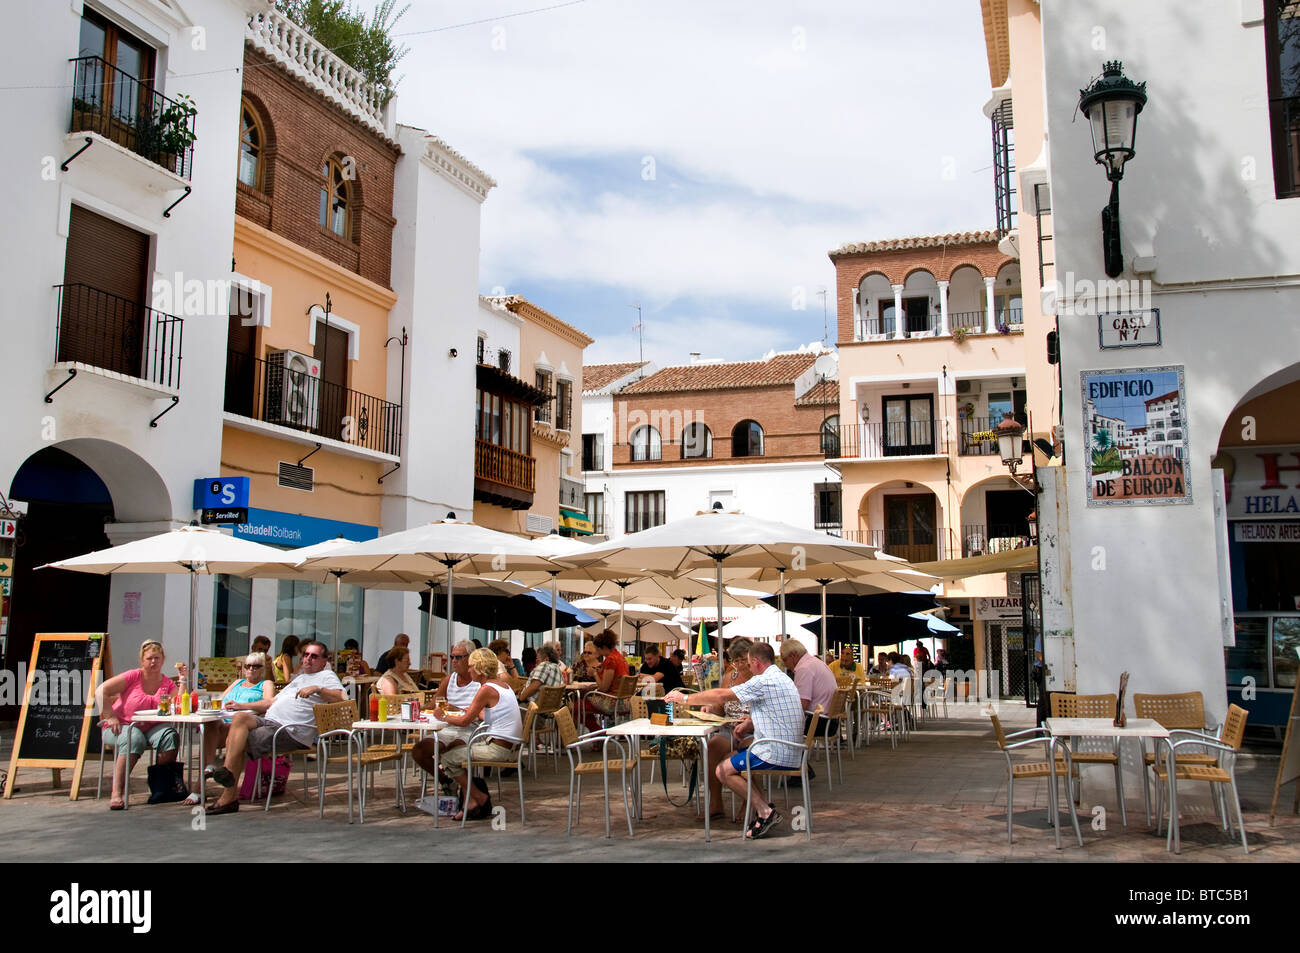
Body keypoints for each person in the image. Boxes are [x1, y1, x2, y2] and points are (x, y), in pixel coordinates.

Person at [664, 642, 804, 839]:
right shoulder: (781, 678)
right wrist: (749, 723)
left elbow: (722, 695)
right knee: (727, 756)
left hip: (774, 751)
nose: (743, 665)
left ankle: (765, 811)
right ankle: (760, 808)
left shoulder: (762, 681)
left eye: (745, 661)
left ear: (755, 662)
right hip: (790, 749)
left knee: (723, 770)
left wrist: (685, 699)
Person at [203, 639, 344, 814]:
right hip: (269, 721)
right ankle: (227, 773)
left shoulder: (326, 676)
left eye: (314, 656)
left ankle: (228, 795)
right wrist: (241, 705)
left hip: (289, 730)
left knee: (237, 740)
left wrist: (318, 689)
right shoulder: (299, 679)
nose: (308, 659)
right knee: (240, 718)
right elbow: (270, 702)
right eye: (305, 655)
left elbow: (340, 698)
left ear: (324, 661)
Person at [431, 648, 523, 821]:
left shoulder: (486, 689)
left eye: (472, 666)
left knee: (448, 758)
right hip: (507, 745)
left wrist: (442, 716)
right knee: (456, 751)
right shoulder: (502, 685)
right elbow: (487, 715)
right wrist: (462, 711)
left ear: (480, 668)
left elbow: (465, 721)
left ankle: (478, 797)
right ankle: (468, 801)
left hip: (498, 749)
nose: (468, 670)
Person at [95, 640, 187, 810]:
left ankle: (161, 788)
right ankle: (117, 793)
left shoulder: (166, 683)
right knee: (134, 738)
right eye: (150, 658)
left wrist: (182, 681)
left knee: (170, 735)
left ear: (163, 659)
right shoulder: (133, 676)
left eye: (157, 658)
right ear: (142, 660)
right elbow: (101, 690)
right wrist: (110, 716)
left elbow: (178, 705)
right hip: (121, 726)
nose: (153, 662)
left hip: (152, 727)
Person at [412, 640, 481, 778]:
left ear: (470, 658)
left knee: (452, 750)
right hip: (448, 728)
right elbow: (434, 703)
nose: (454, 661)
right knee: (419, 751)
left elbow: (481, 714)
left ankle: (465, 787)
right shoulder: (449, 679)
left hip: (472, 729)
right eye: (452, 657)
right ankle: (446, 781)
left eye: (458, 657)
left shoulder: (479, 682)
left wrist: (455, 709)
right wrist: (418, 709)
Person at [202, 652, 276, 771]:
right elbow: (219, 700)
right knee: (210, 722)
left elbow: (268, 703)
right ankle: (209, 767)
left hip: (244, 727)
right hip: (222, 724)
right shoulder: (237, 683)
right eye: (248, 666)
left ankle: (212, 776)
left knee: (209, 735)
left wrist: (241, 706)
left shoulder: (265, 684)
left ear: (262, 668)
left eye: (256, 666)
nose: (251, 669)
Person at [586, 630, 629, 725]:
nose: (597, 651)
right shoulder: (621, 658)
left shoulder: (611, 660)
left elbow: (603, 688)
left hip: (613, 703)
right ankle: (598, 733)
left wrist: (594, 673)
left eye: (598, 649)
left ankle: (597, 733)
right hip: (625, 701)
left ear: (604, 647)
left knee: (579, 705)